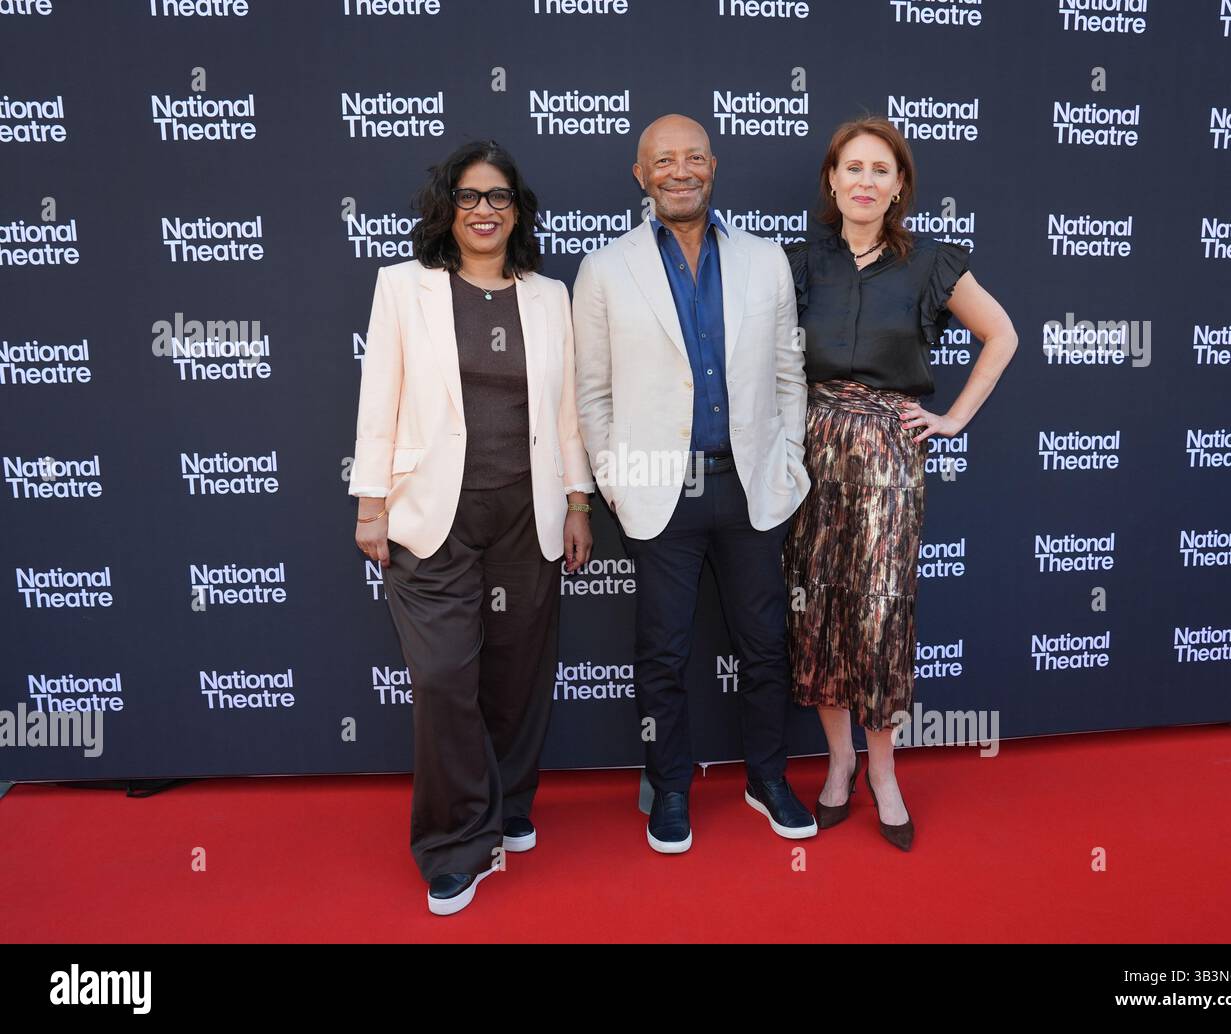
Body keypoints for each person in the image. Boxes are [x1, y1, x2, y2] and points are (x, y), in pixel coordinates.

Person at [349, 140, 595, 914]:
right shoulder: (403, 288)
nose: (484, 210)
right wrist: (370, 501)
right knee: (445, 677)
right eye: (469, 196)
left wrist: (578, 502)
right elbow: (378, 395)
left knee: (520, 672)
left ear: (517, 210)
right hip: (432, 511)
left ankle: (510, 803)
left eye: (499, 197)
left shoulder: (549, 296)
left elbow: (565, 413)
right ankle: (456, 842)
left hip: (530, 508)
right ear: (446, 207)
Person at [572, 114, 817, 854]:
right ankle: (671, 785)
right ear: (639, 176)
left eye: (692, 158)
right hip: (656, 493)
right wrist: (616, 481)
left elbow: (786, 373)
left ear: (713, 165)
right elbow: (592, 394)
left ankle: (767, 777)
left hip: (750, 488)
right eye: (662, 161)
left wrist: (788, 460)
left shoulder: (765, 260)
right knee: (663, 652)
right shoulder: (605, 268)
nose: (680, 171)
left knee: (766, 644)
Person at [783, 116, 1018, 850]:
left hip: (890, 453)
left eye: (880, 170)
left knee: (880, 617)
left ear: (898, 186)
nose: (864, 180)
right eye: (851, 167)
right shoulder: (800, 263)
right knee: (817, 608)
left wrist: (952, 419)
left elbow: (1002, 334)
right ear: (831, 180)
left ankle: (883, 771)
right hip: (812, 452)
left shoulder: (932, 264)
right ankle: (839, 759)